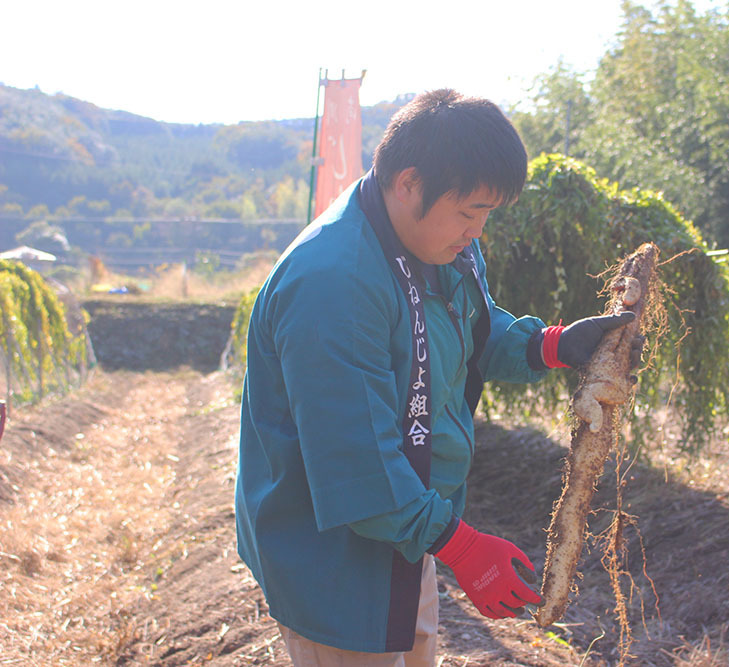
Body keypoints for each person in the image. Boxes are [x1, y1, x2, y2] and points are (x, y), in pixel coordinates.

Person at [235, 88, 635, 666]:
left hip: (406, 531)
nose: (477, 230)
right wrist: (463, 547)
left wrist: (551, 345)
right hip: (334, 554)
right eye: (469, 211)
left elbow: (468, 327)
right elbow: (357, 466)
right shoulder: (333, 283)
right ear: (409, 183)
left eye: (487, 214)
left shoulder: (438, 242)